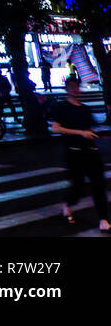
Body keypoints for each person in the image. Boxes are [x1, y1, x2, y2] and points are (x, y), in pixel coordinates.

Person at [48, 75, 109, 231]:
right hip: (73, 153)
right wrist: (80, 133)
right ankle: (68, 204)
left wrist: (92, 134)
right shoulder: (60, 107)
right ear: (66, 89)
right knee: (78, 186)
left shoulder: (85, 109)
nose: (76, 90)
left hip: (91, 151)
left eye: (77, 87)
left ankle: (103, 219)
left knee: (99, 186)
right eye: (72, 87)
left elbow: (89, 129)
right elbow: (56, 128)